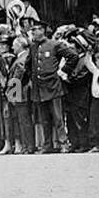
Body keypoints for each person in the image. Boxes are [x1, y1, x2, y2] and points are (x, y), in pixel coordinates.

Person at [24, 20, 78, 153]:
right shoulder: (33, 47)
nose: (33, 32)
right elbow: (28, 65)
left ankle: (63, 143)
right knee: (44, 119)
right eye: (32, 30)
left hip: (53, 86)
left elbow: (73, 56)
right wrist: (32, 78)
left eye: (36, 29)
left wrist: (63, 71)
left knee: (58, 118)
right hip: (39, 88)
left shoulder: (54, 45)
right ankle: (47, 145)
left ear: (42, 30)